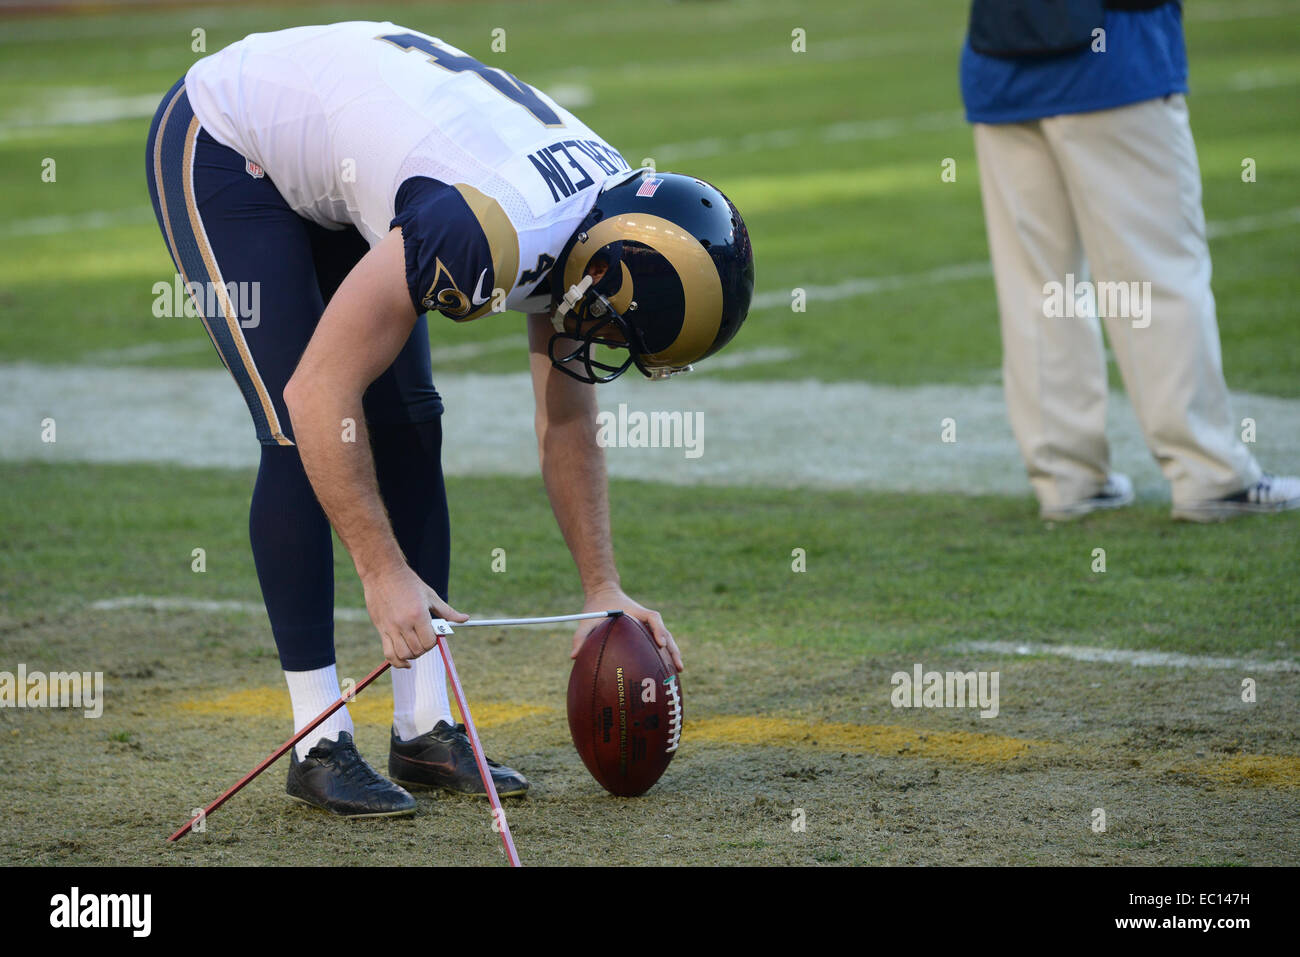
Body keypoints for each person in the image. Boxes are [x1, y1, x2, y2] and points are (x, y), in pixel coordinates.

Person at [145, 21, 753, 818]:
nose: (601, 344)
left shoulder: (603, 225)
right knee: (304, 432)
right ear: (609, 272)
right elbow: (317, 392)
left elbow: (564, 413)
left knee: (409, 424)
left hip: (355, 155)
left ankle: (424, 724)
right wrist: (381, 570)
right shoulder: (494, 228)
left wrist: (599, 583)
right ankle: (317, 739)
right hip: (231, 145)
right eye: (613, 330)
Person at [961, 0, 1299, 521]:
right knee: (1156, 276)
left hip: (1002, 58)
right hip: (1113, 56)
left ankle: (1067, 477)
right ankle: (1208, 473)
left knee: (1042, 289)